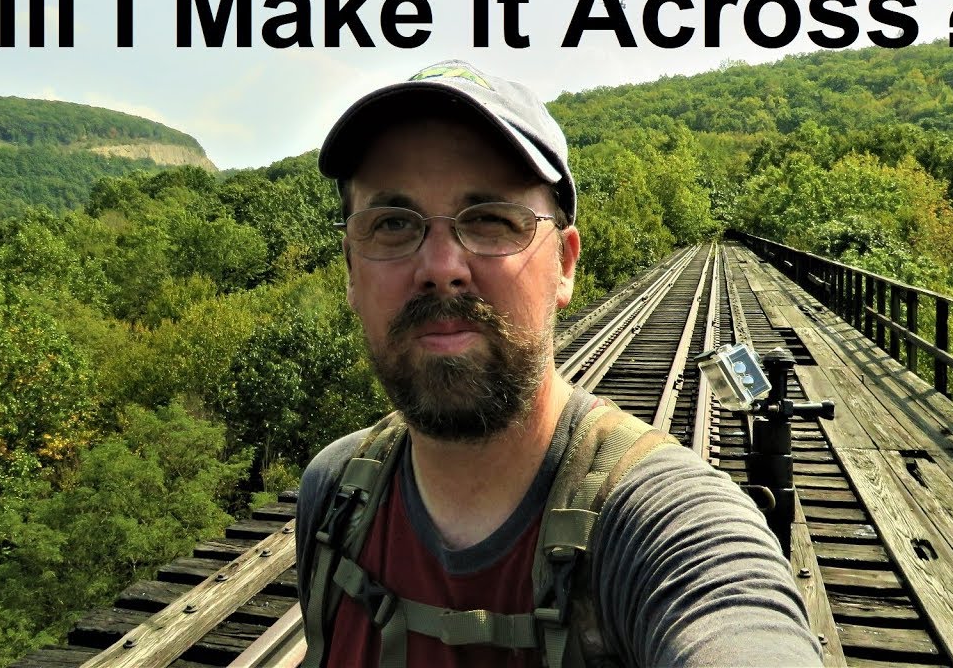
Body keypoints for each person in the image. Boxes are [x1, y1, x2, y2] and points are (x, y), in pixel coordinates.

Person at [295, 59, 820, 667]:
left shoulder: (669, 529)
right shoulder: (333, 495)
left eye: (490, 220)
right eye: (391, 223)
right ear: (351, 272)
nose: (441, 265)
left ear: (564, 264)